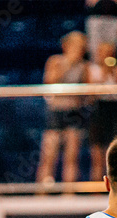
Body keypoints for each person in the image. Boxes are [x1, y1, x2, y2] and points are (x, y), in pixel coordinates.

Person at [36, 32, 89, 187]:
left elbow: (87, 91)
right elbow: (49, 81)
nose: (79, 50)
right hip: (55, 112)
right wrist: (68, 64)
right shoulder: (55, 61)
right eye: (76, 46)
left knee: (71, 156)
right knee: (48, 155)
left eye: (82, 47)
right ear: (66, 46)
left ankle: (69, 193)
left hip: (74, 112)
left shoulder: (83, 65)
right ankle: (42, 193)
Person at [88, 42, 117, 182]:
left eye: (108, 52)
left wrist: (113, 73)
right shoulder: (90, 69)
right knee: (97, 153)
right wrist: (104, 74)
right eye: (102, 52)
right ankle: (96, 189)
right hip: (97, 110)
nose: (105, 56)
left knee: (116, 153)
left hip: (115, 110)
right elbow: (90, 93)